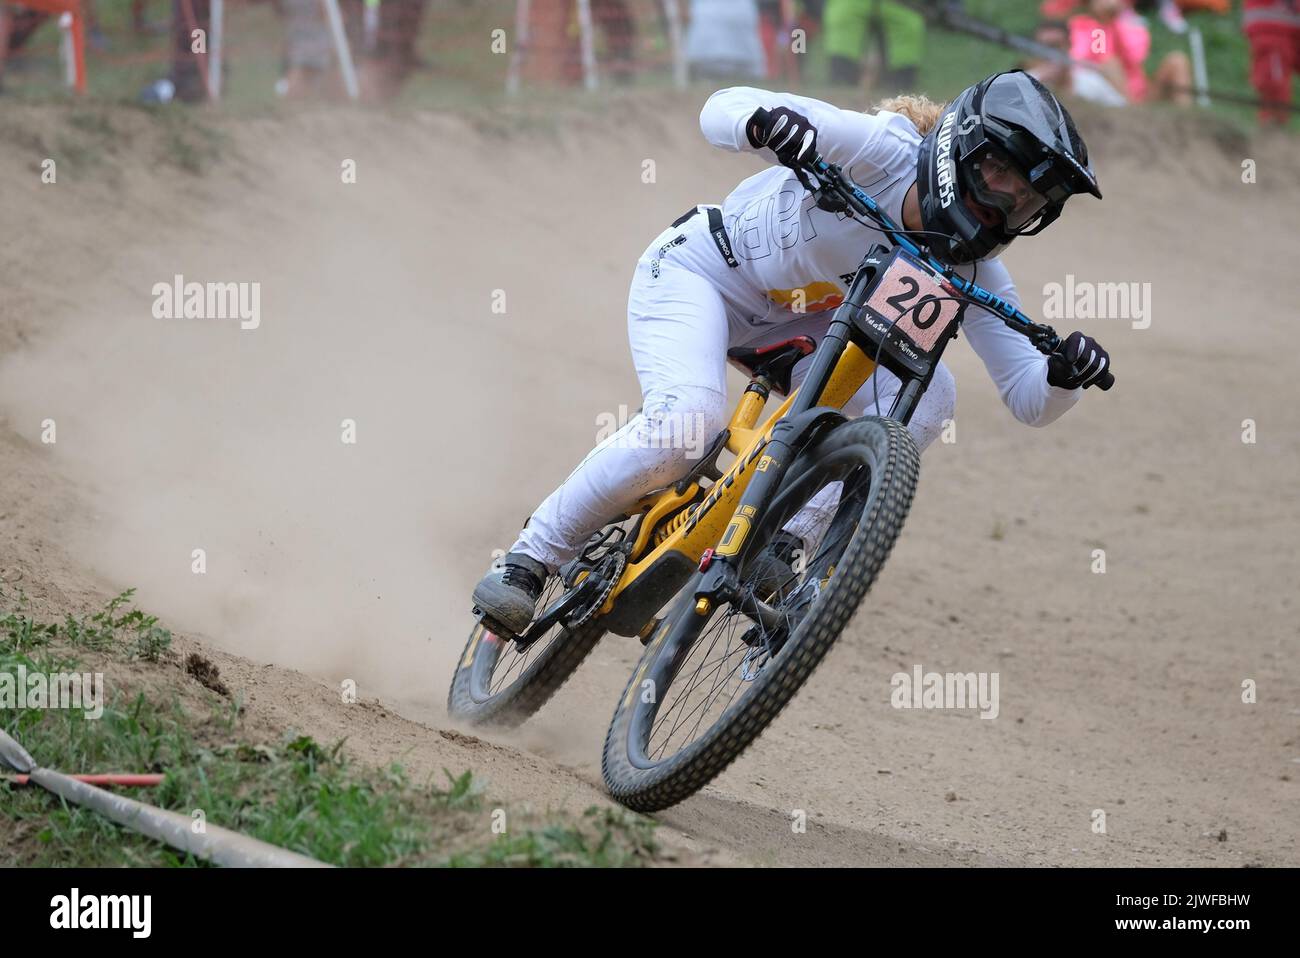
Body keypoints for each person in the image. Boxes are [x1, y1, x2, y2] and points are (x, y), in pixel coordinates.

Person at [473, 72, 1112, 635]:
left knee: (935, 393)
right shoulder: (880, 150)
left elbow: (1029, 398)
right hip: (704, 275)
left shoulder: (970, 269)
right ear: (961, 148)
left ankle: (783, 538)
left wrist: (1063, 376)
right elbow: (720, 107)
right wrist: (765, 123)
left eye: (1029, 200)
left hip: (799, 335)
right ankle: (532, 558)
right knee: (685, 427)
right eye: (1000, 175)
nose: (1006, 204)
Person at [1067, 0, 1194, 105]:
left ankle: (1186, 117)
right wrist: (1101, 25)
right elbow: (1084, 58)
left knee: (1178, 60)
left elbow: (1135, 57)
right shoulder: (1079, 25)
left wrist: (1112, 23)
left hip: (1139, 95)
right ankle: (1130, 110)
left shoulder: (1129, 25)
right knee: (1109, 62)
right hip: (1105, 90)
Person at [1025, 18, 1129, 106]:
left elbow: (1122, 110)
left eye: (1057, 46)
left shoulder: (1091, 82)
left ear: (1068, 45)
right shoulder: (1025, 84)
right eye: (1044, 47)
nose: (1051, 54)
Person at [1243, 0, 1300, 126]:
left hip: (1286, 21)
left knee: (1274, 81)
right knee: (1274, 82)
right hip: (1272, 27)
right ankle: (1273, 129)